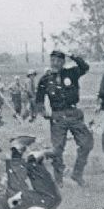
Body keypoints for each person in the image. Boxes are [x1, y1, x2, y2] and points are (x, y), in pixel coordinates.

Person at [34, 49, 92, 187]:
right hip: (58, 116)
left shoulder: (72, 73)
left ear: (63, 62)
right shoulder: (45, 79)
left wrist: (72, 55)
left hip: (74, 114)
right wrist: (43, 112)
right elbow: (39, 100)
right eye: (53, 60)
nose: (55, 63)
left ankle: (77, 174)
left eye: (59, 61)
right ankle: (58, 179)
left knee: (87, 143)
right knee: (57, 149)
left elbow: (85, 67)